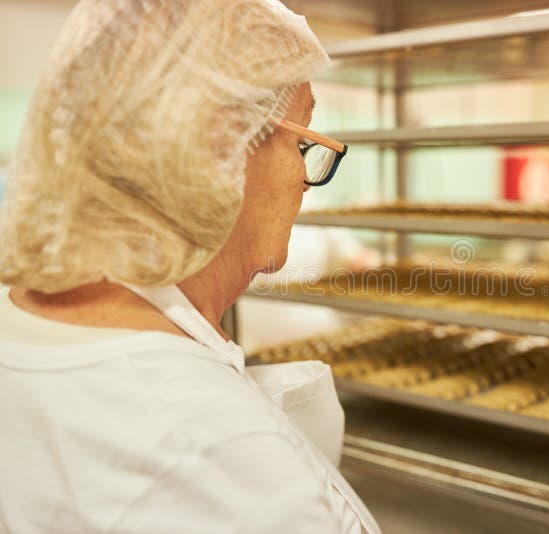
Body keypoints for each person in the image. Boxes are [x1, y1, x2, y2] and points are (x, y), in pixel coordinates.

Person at [0, 0, 379, 532]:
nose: (301, 176)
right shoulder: (216, 464)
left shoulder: (19, 320)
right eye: (301, 141)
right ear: (219, 145)